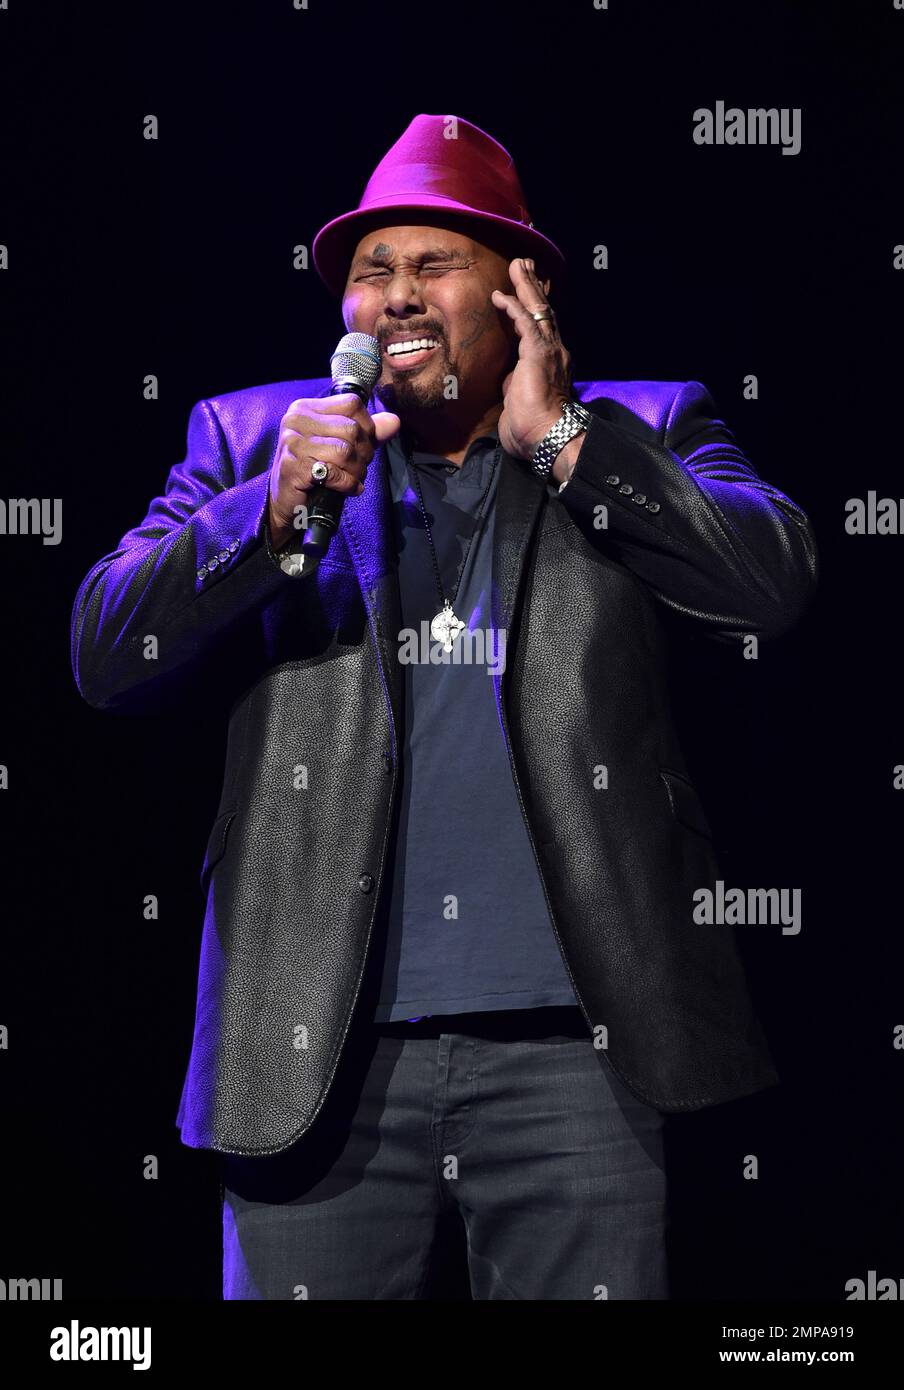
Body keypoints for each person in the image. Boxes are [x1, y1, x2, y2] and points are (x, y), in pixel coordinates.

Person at [70, 113, 817, 1300]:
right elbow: (105, 651)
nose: (396, 297)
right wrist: (266, 515)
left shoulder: (646, 420)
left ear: (522, 292)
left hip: (577, 1051)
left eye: (432, 265)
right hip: (312, 1049)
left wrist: (565, 441)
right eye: (372, 272)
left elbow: (769, 583)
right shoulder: (252, 440)